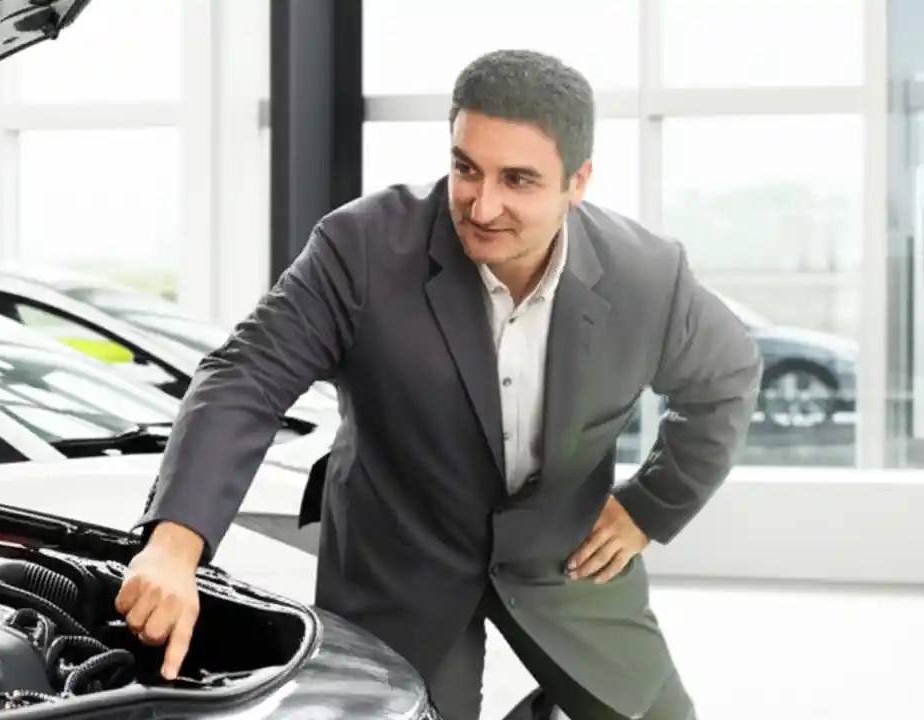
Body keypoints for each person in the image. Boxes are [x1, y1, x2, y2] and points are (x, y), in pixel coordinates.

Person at [113, 49, 762, 720]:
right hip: (399, 555)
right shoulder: (360, 248)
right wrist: (174, 545)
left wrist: (650, 506)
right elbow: (247, 375)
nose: (483, 205)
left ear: (578, 182)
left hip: (564, 555)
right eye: (466, 168)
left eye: (518, 180)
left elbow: (727, 376)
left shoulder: (646, 276)